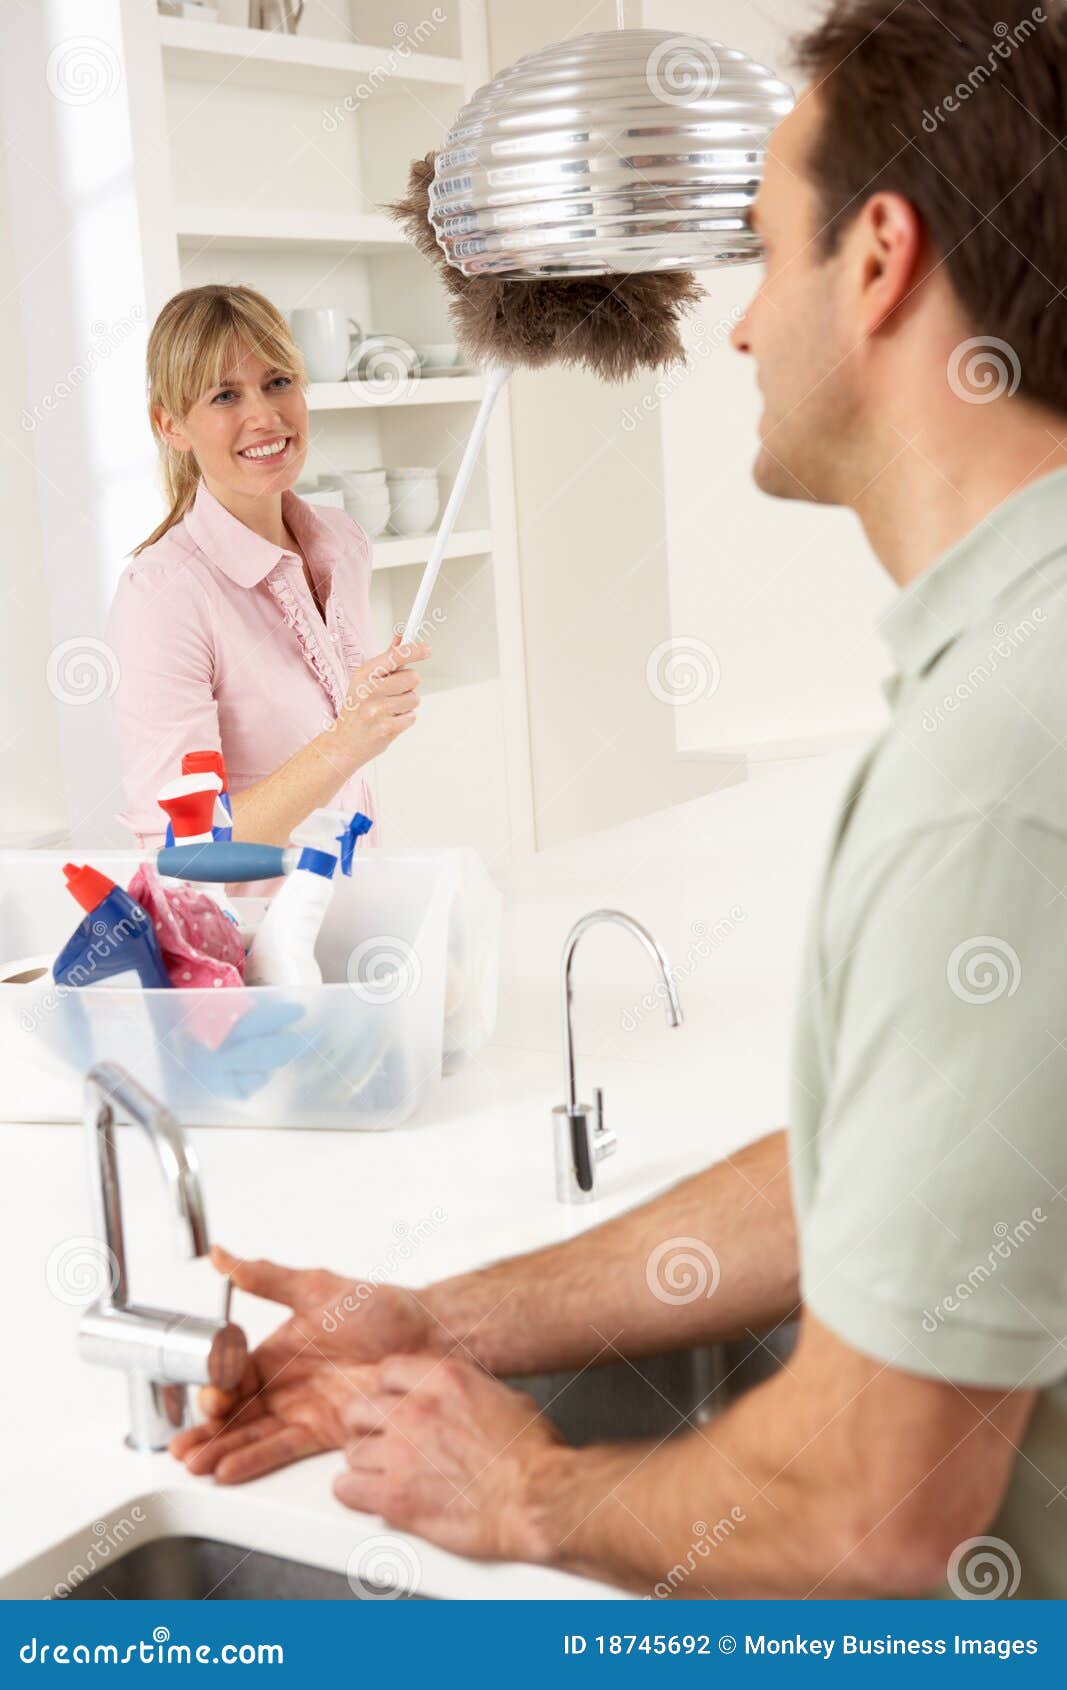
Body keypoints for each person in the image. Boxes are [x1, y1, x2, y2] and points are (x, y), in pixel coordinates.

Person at [170, 0, 1067, 1598]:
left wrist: (527, 1490)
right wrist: (438, 1319)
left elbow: (876, 1509)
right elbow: (883, 1176)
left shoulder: (993, 766)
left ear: (874, 262)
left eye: (765, 255)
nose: (730, 328)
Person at [108, 284, 429, 848]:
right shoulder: (162, 595)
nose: (264, 415)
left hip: (357, 902)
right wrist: (348, 741)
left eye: (278, 382)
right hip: (253, 933)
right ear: (171, 426)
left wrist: (365, 713)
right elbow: (186, 846)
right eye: (225, 396)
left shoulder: (343, 543)